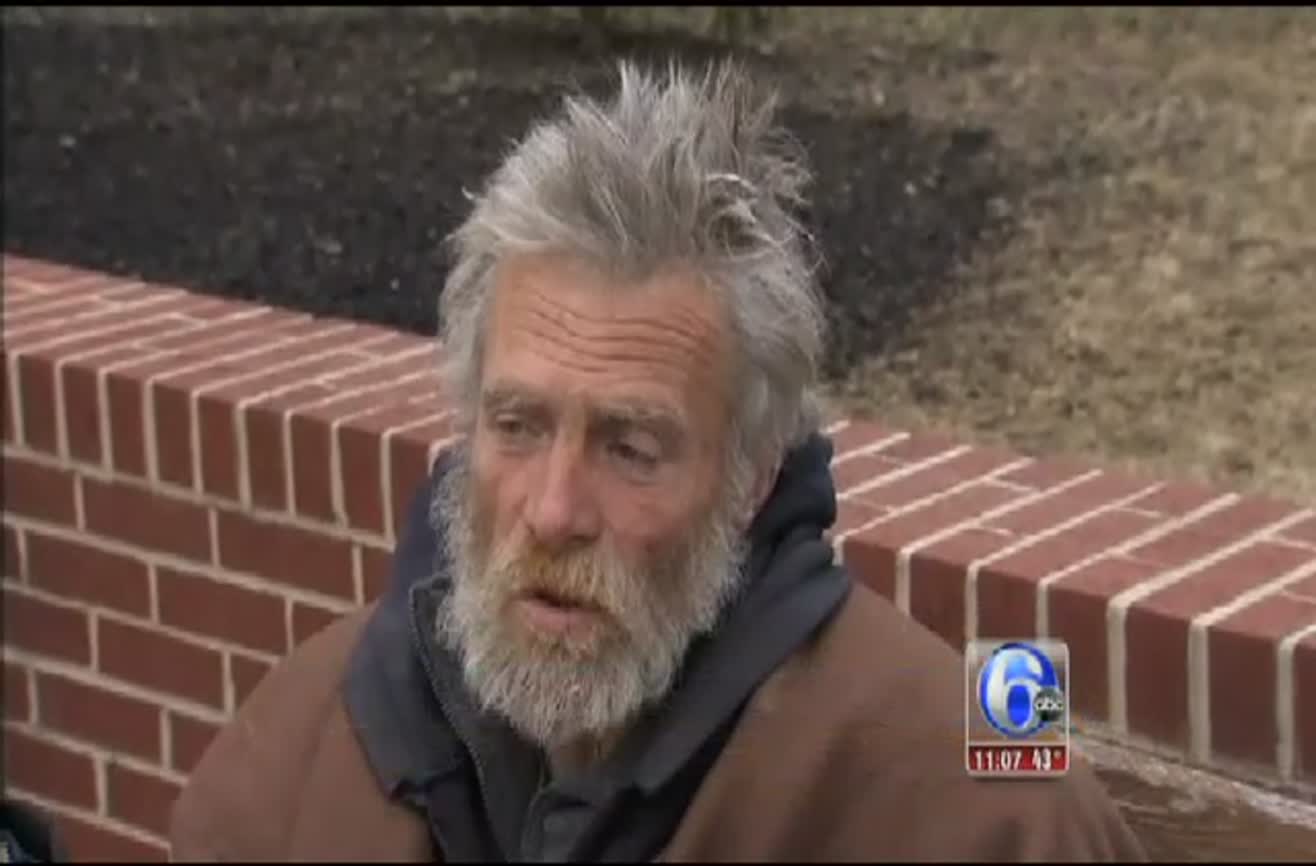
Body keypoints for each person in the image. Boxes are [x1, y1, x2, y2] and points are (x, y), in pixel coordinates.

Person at [170, 59, 1147, 862]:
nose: (552, 510)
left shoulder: (968, 805)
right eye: (516, 425)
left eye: (629, 447)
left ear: (752, 472)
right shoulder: (299, 748)